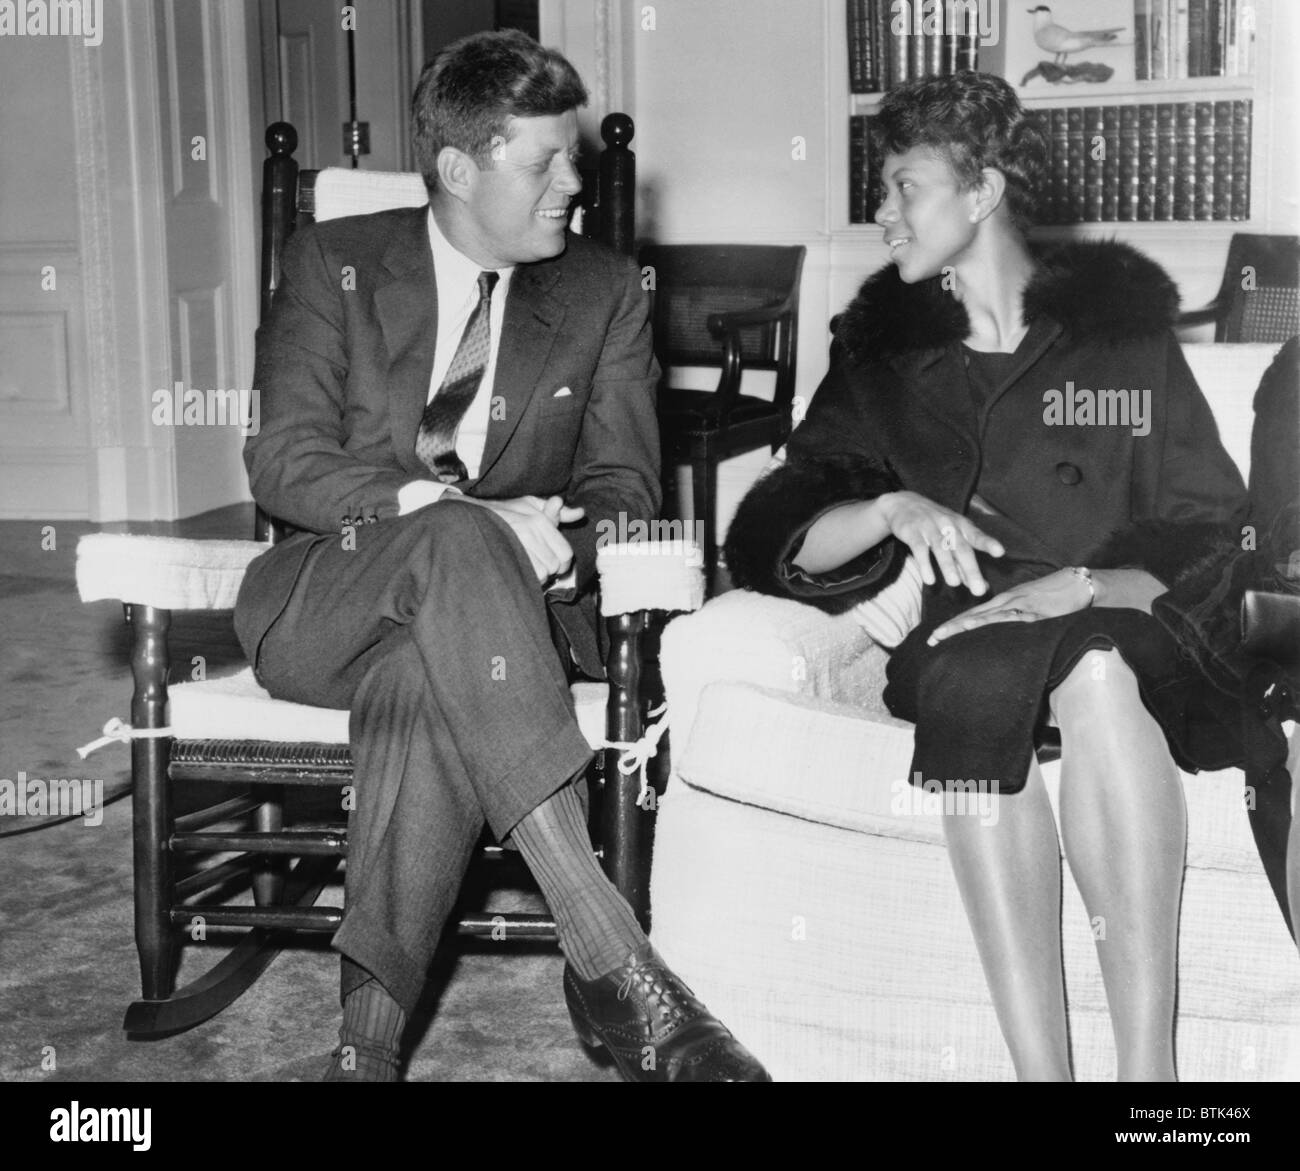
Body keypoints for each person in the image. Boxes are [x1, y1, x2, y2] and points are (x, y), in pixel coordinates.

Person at [234, 30, 768, 1083]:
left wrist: (554, 552)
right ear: (459, 169)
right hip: (329, 599)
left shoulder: (606, 290)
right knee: (450, 537)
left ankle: (365, 1051)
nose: (575, 183)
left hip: (510, 625)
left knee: (424, 689)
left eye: (573, 157)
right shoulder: (332, 263)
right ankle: (613, 958)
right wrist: (444, 508)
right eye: (544, 163)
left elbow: (625, 491)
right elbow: (283, 457)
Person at [725, 71, 1249, 1081]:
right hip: (973, 631)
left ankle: (1149, 1081)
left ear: (983, 192)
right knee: (973, 677)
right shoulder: (882, 360)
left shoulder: (1120, 339)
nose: (880, 215)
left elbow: (1210, 525)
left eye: (903, 187)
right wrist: (883, 509)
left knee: (1095, 668)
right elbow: (774, 529)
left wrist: (1084, 585)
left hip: (1118, 618)